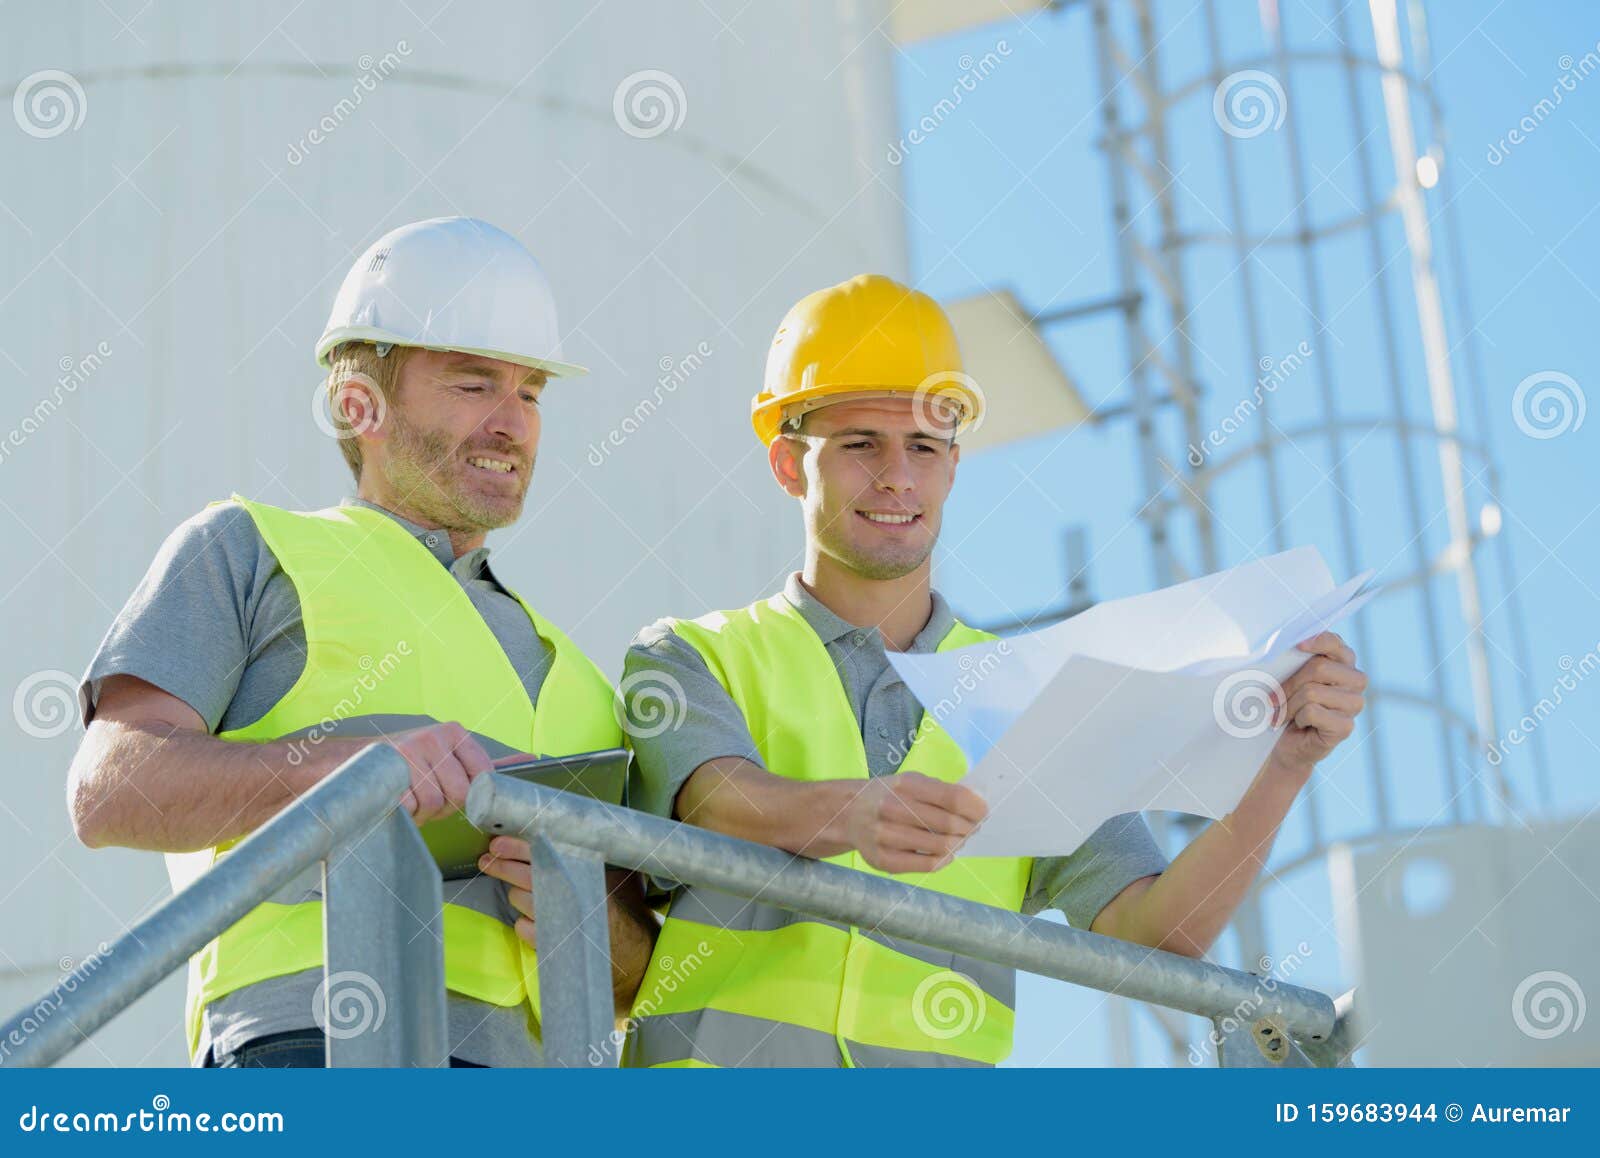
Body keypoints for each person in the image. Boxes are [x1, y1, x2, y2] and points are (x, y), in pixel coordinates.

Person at [614, 274, 1368, 1067]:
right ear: (788, 465)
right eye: (860, 444)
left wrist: (1284, 765)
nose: (897, 477)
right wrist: (858, 813)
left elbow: (1156, 938)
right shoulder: (692, 656)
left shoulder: (1029, 695)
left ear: (953, 466)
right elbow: (714, 803)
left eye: (925, 448)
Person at [67, 216, 657, 1068]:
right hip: (313, 1053)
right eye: (472, 384)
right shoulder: (252, 550)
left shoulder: (581, 679)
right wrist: (350, 773)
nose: (513, 423)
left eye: (530, 392)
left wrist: (598, 920)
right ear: (360, 404)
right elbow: (110, 791)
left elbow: (638, 979)